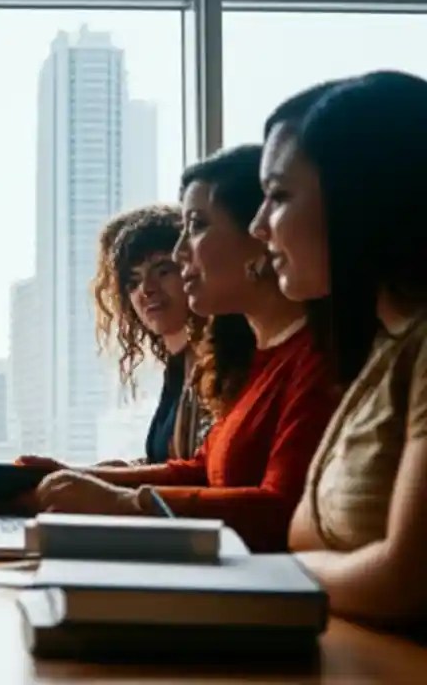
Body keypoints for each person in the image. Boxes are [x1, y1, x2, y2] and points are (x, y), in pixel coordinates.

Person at [27, 145, 341, 553]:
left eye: (196, 226)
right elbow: (200, 471)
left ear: (259, 236)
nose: (180, 254)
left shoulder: (317, 359)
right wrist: (72, 476)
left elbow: (282, 510)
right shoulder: (261, 360)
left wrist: (123, 502)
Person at [253, 70, 427, 624]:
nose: (261, 226)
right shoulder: (385, 345)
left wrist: (262, 576)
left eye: (278, 196)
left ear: (361, 193)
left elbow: (403, 580)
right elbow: (304, 535)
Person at [94, 205, 207, 464]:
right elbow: (166, 463)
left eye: (163, 271)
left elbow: (199, 473)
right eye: (132, 282)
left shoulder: (212, 366)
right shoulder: (178, 366)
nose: (146, 289)